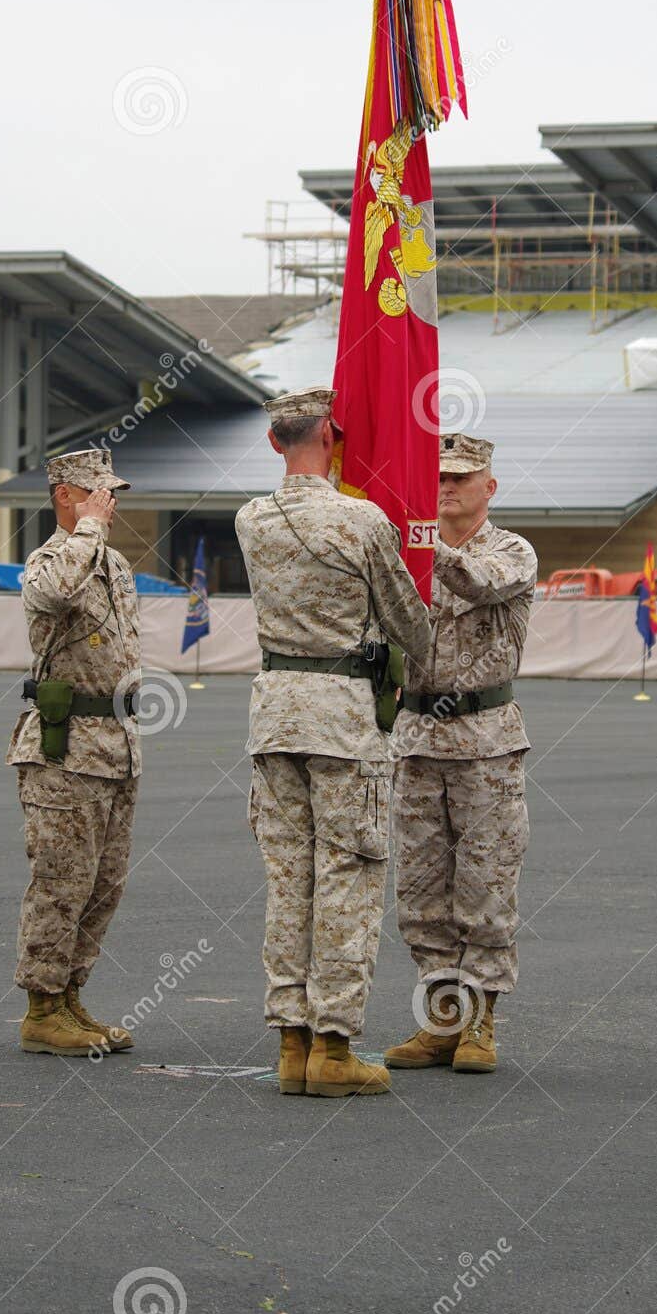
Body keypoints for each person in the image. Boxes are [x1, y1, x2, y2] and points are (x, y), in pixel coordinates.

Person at [235, 387, 431, 1098]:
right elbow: (409, 624)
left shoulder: (250, 518)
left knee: (288, 880)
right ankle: (334, 1044)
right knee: (346, 876)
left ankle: (290, 1040)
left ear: (273, 442)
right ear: (333, 434)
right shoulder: (361, 519)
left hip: (275, 713)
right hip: (344, 718)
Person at [386, 433, 537, 1074]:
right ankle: (442, 1019)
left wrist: (423, 543)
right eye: (438, 478)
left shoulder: (511, 551)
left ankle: (482, 1021)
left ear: (489, 487)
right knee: (422, 890)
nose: (446, 487)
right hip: (418, 735)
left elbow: (477, 584)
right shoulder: (408, 559)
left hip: (484, 743)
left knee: (485, 886)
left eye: (460, 477)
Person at [7, 447, 141, 1057]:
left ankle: (69, 996)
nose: (109, 501)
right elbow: (59, 593)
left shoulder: (113, 563)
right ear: (65, 494)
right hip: (64, 750)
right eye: (97, 491)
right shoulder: (47, 561)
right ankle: (40, 1008)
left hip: (115, 746)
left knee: (102, 885)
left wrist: (96, 535)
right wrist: (86, 528)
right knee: (60, 881)